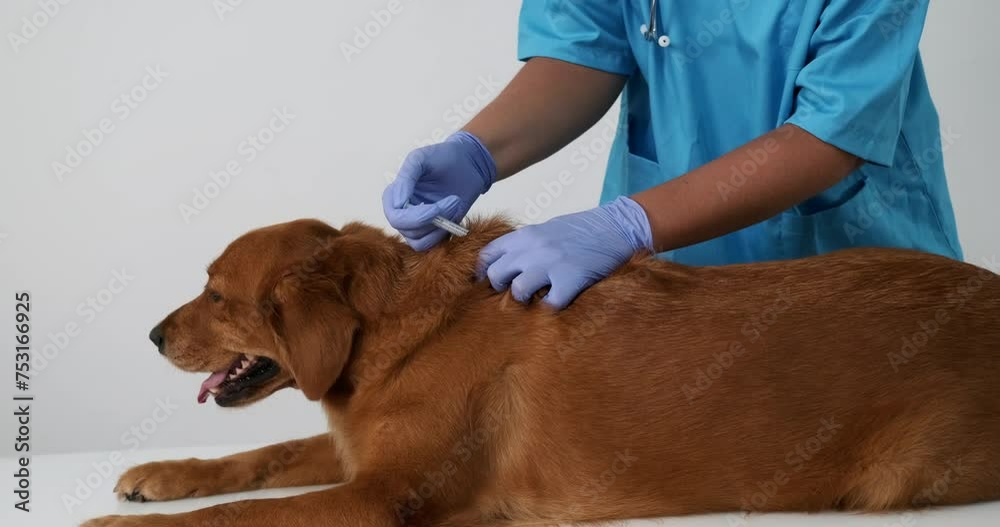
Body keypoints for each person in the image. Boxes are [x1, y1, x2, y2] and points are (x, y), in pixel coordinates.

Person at [382, 1, 962, 310]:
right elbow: (583, 47)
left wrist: (629, 224)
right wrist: (478, 151)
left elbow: (830, 134)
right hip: (674, 286)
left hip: (853, 270)